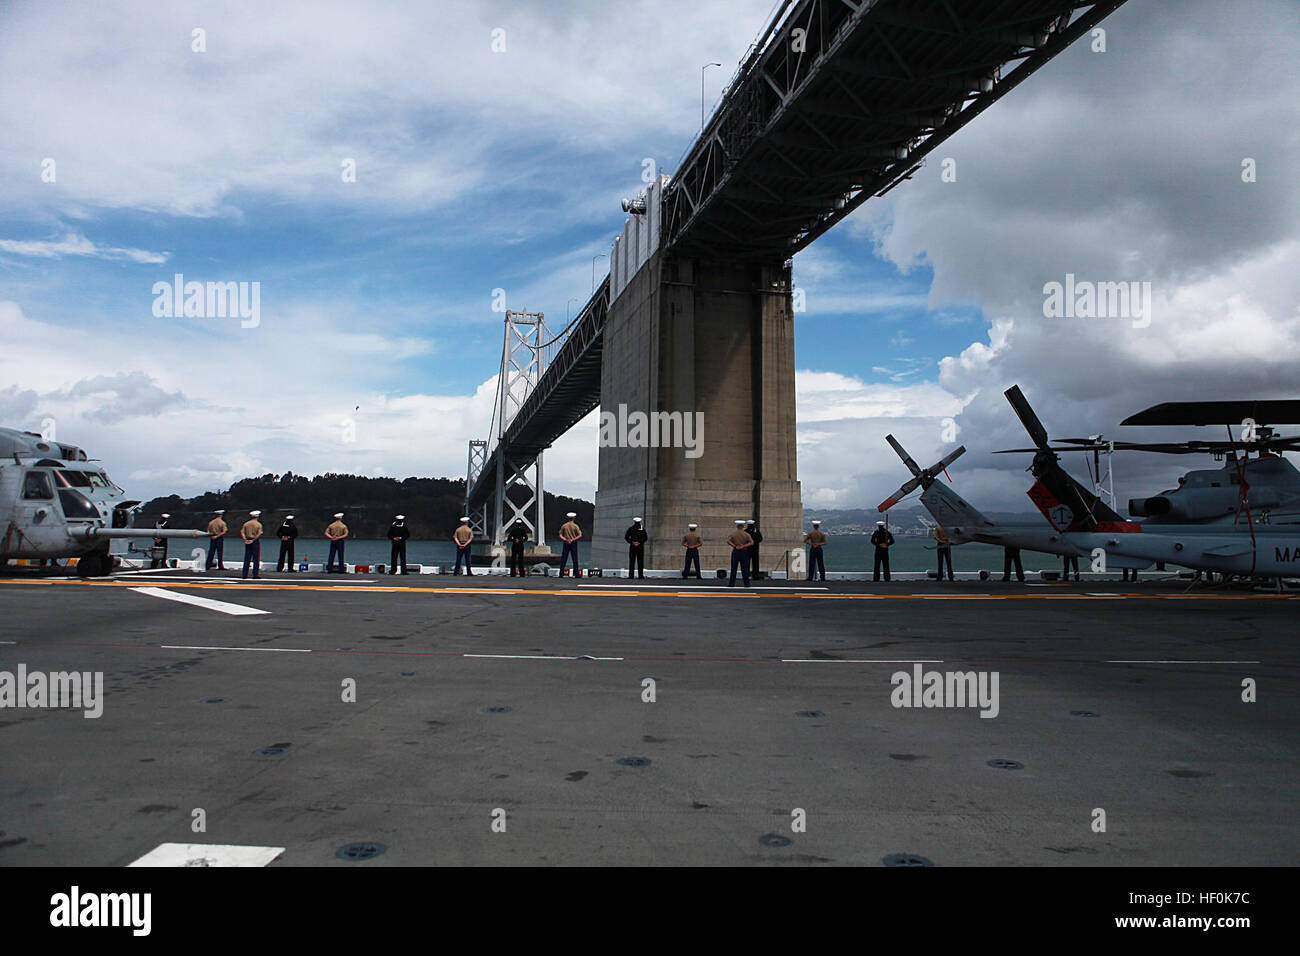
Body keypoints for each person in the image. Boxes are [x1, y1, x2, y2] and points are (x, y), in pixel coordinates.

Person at [727, 519, 753, 587]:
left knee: (734, 568)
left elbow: (729, 541)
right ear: (743, 526)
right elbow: (751, 542)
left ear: (737, 526)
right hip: (744, 551)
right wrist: (744, 546)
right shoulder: (746, 534)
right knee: (744, 568)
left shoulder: (733, 534)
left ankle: (731, 583)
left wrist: (735, 546)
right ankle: (746, 584)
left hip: (736, 551)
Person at [241, 510, 264, 579]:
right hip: (254, 541)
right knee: (256, 559)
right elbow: (259, 533)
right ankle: (255, 574)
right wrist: (253, 540)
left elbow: (242, 532)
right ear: (257, 516)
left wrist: (245, 539)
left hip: (247, 540)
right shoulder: (258, 524)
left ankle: (244, 574)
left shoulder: (246, 524)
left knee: (247, 558)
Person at [558, 512, 582, 577]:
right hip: (573, 542)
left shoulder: (564, 526)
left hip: (566, 542)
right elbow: (580, 535)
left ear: (568, 518)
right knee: (575, 559)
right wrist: (573, 539)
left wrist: (565, 539)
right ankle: (576, 574)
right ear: (574, 518)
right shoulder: (575, 526)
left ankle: (561, 574)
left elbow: (560, 535)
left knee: (564, 558)